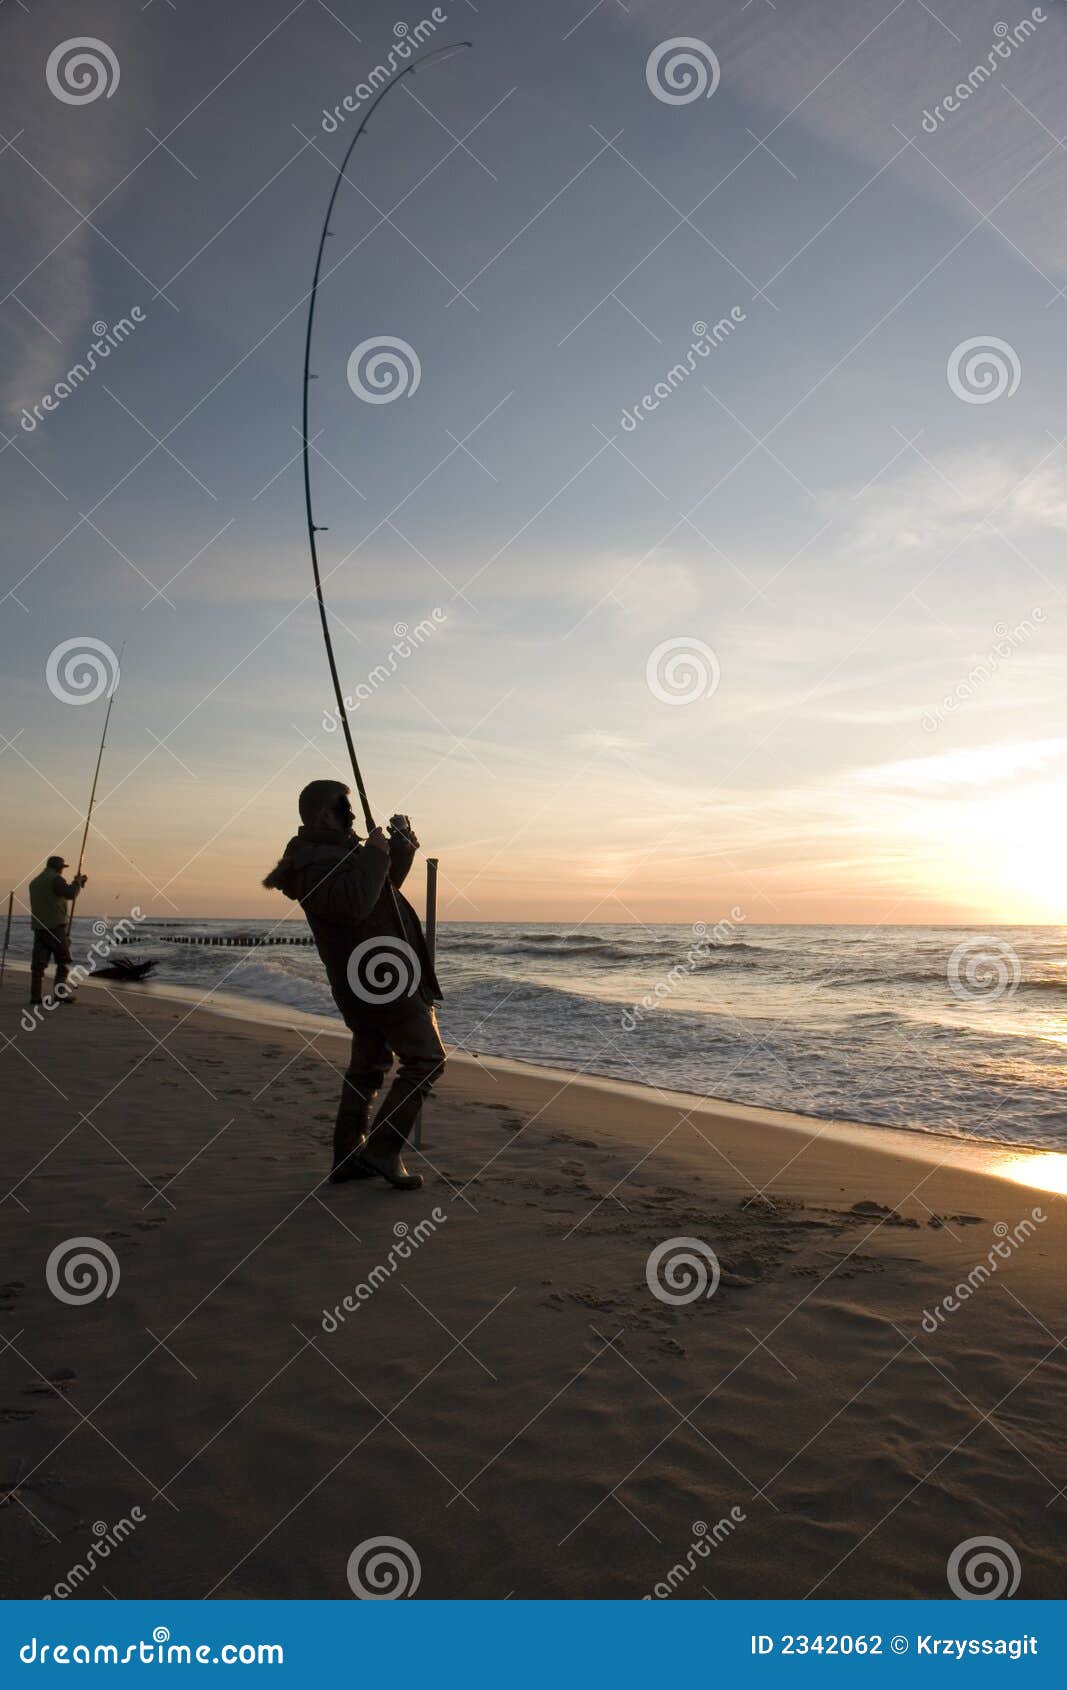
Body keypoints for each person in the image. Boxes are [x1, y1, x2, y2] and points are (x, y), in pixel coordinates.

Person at [263, 780, 443, 1191]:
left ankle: (347, 1157)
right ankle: (382, 1149)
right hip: (376, 979)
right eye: (344, 806)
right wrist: (375, 855)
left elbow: (382, 889)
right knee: (426, 1058)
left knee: (370, 1064)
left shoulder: (335, 852)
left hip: (372, 976)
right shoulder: (311, 863)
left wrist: (399, 850)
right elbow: (352, 906)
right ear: (325, 813)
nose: (352, 813)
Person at [28, 855, 87, 1007]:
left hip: (39, 927)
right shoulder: (55, 879)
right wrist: (77, 883)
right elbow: (70, 894)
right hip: (56, 927)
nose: (62, 870)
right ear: (58, 867)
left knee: (39, 965)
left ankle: (35, 997)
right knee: (63, 961)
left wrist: (76, 883)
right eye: (62, 867)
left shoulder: (34, 882)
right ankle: (59, 995)